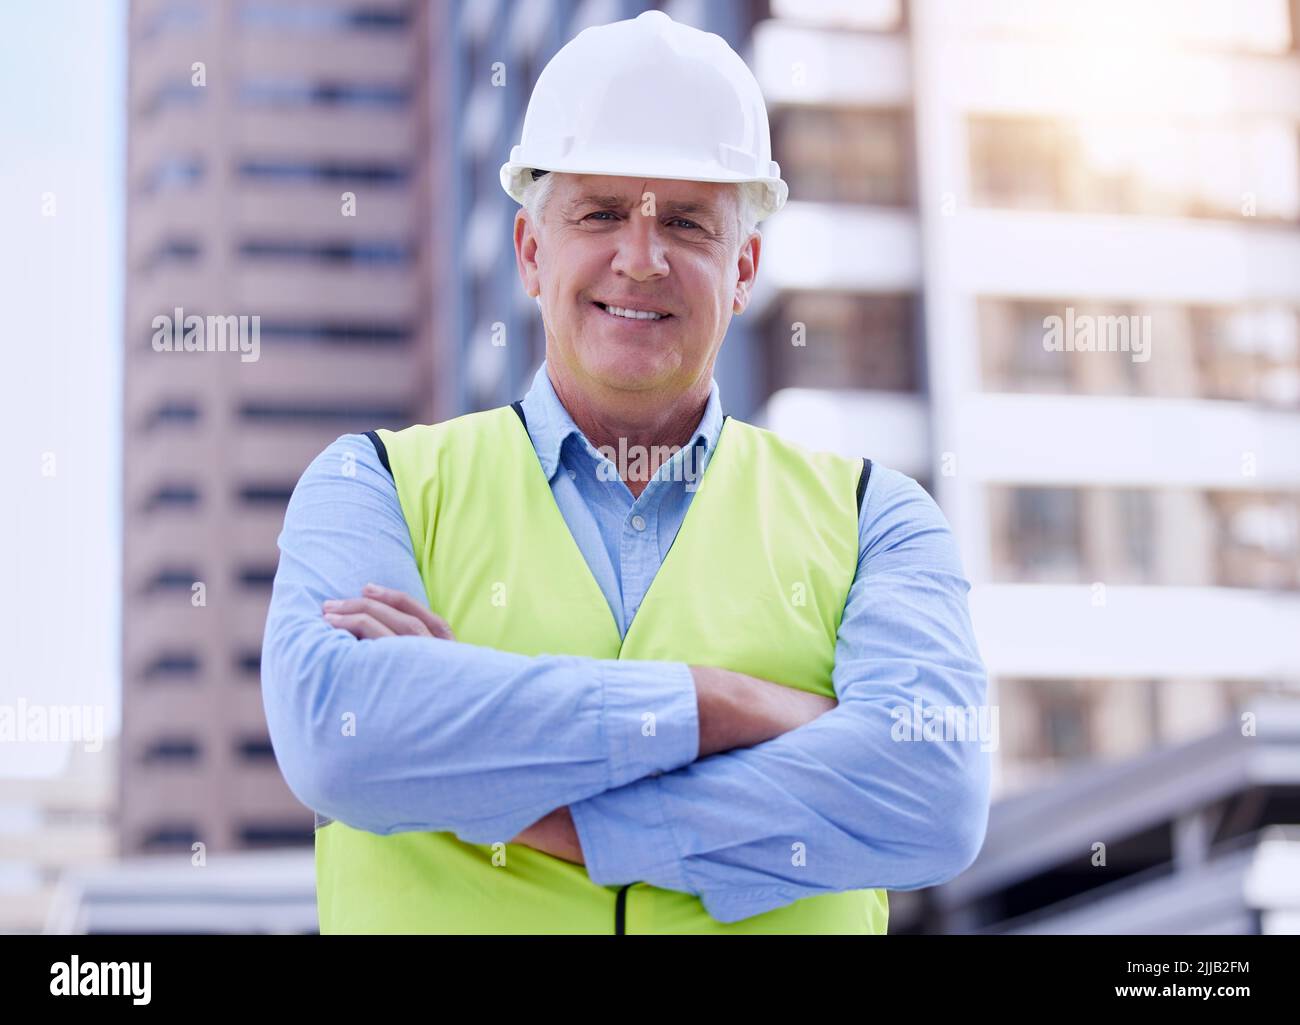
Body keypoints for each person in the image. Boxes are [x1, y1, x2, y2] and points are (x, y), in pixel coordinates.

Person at [261, 9, 990, 934]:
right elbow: (341, 733)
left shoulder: (875, 517)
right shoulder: (375, 486)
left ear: (744, 269)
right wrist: (729, 703)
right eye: (600, 213)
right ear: (531, 253)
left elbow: (934, 788)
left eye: (686, 223)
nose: (640, 259)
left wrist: (522, 787)